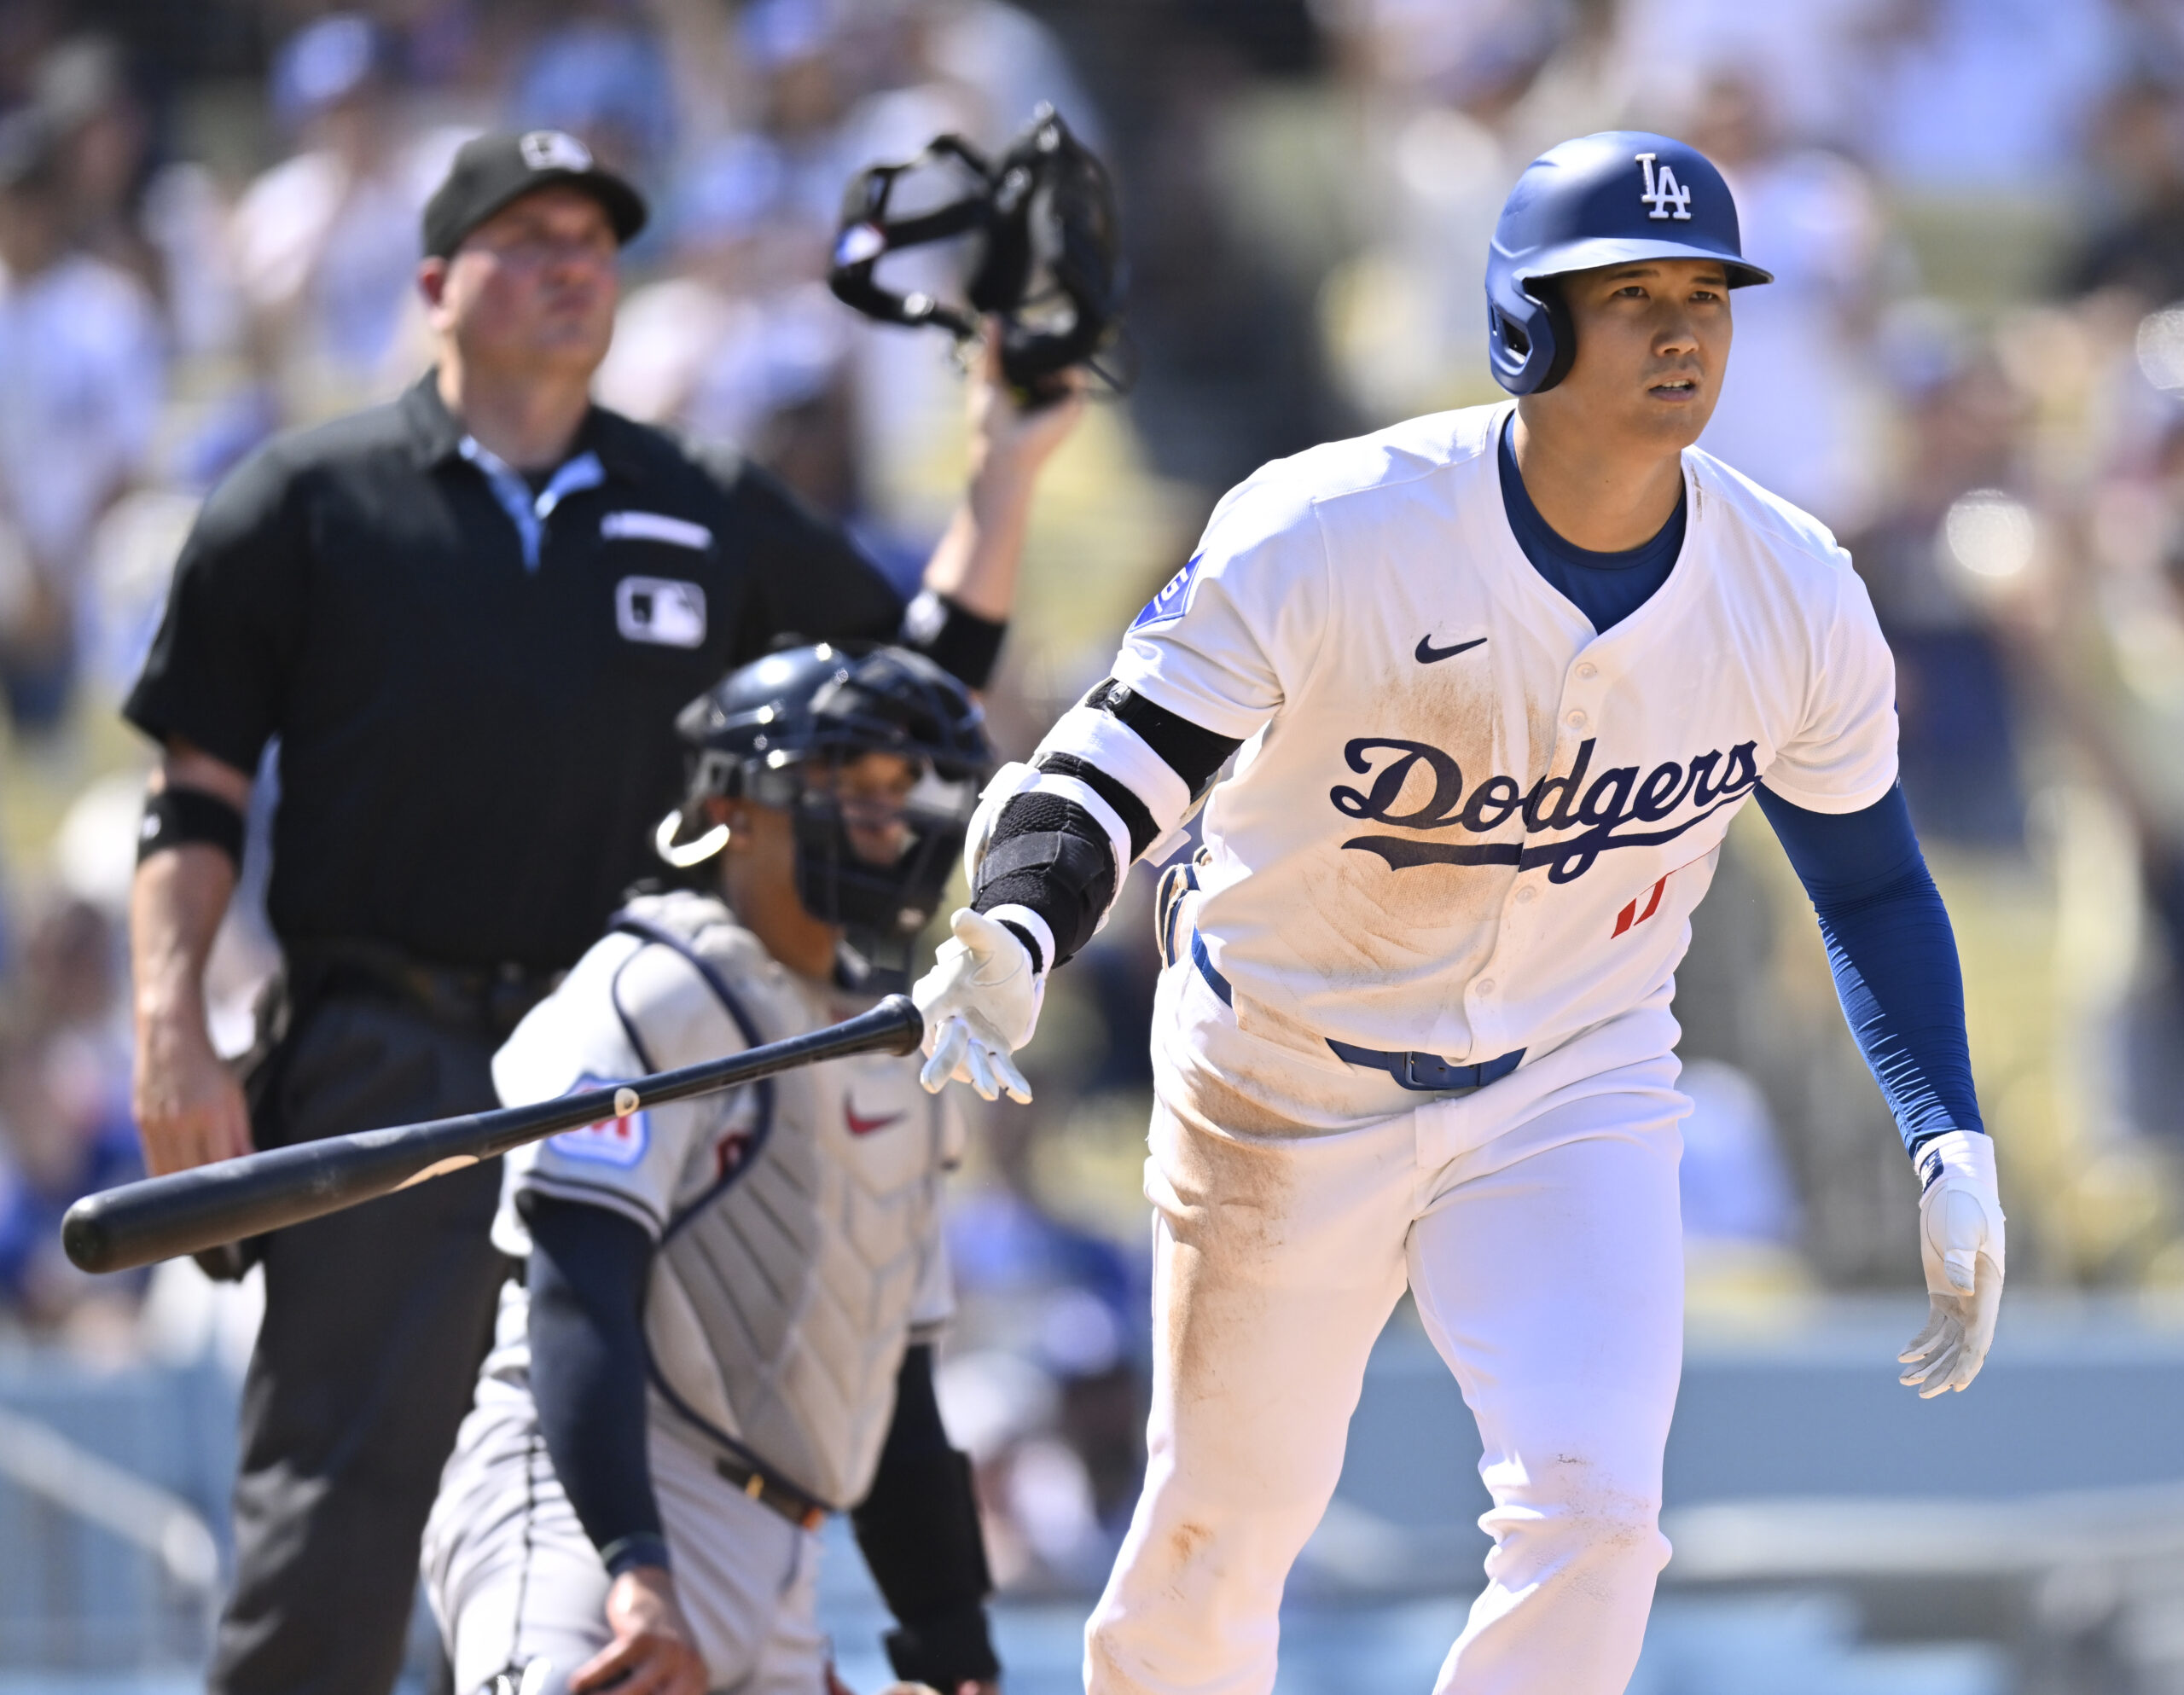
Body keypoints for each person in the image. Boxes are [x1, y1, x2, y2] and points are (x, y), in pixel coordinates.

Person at [911, 131, 2006, 1694]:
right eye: (1629, 296)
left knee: (1599, 1518)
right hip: (1283, 1072)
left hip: (1574, 1075)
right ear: (1525, 326)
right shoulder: (1335, 525)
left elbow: (1876, 879)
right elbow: (1116, 757)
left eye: (1708, 293)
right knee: (1220, 1536)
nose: (1683, 330)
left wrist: (1944, 1127)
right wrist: (1018, 926)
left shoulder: (1796, 588)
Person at [124, 128, 1077, 1695]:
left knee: (638, 1475)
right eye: (529, 235)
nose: (574, 261)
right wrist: (172, 1024)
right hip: (395, 1054)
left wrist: (1002, 474)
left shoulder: (697, 499)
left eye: (597, 237)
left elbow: (912, 698)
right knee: (336, 1509)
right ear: (435, 281)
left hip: (653, 1062)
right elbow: (195, 792)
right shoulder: (306, 499)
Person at [425, 643, 1002, 1695]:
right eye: (844, 783)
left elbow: (892, 1382)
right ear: (733, 806)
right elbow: (577, 1292)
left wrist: (953, 1648)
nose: (883, 815)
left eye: (897, 789)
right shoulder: (652, 985)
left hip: (779, 1555)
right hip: (582, 1515)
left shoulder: (900, 1042)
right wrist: (634, 1571)